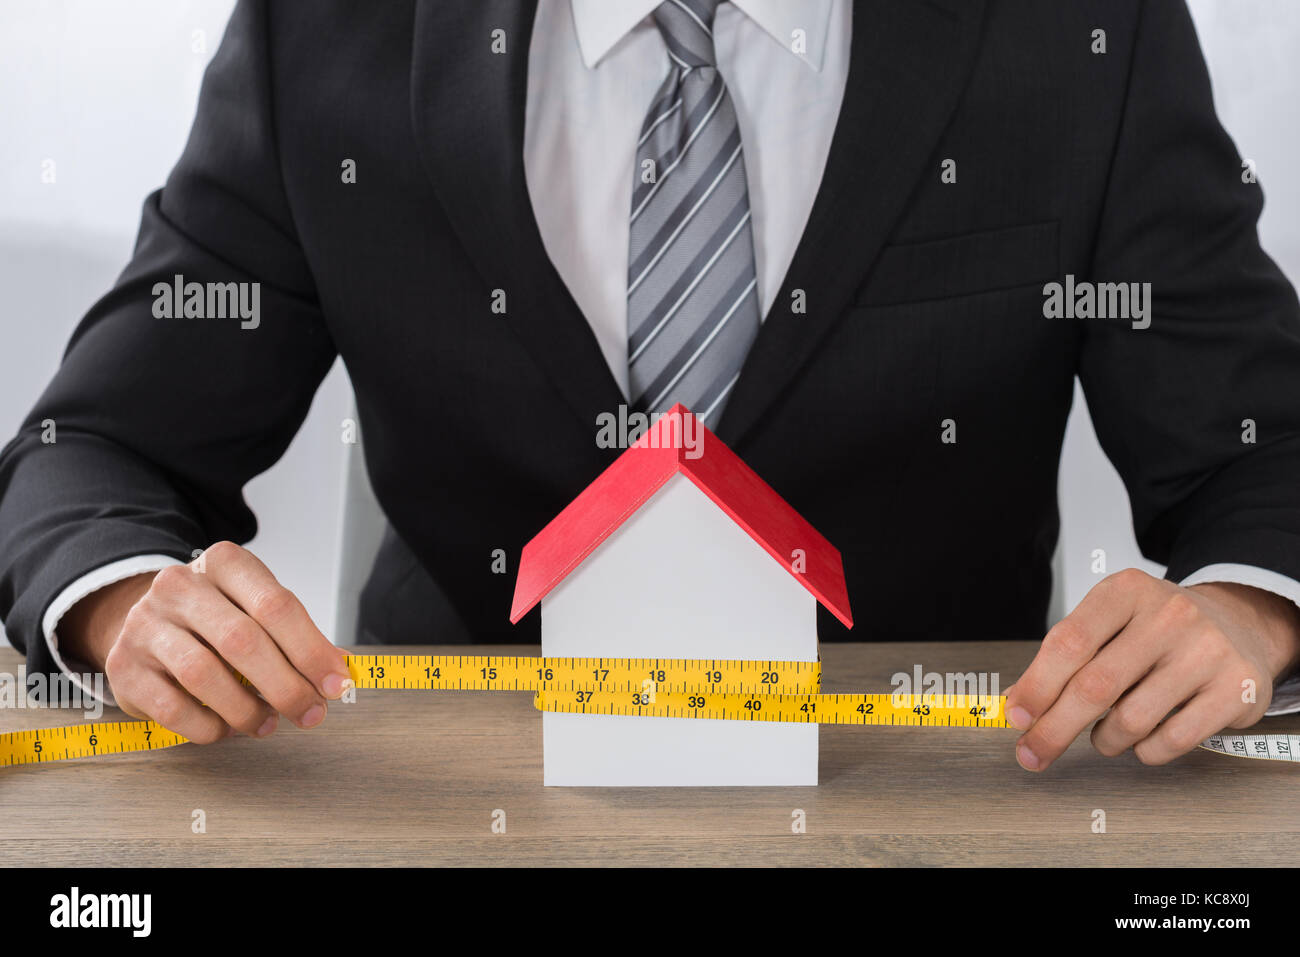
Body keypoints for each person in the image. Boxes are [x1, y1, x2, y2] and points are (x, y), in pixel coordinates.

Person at [2, 0, 1299, 773]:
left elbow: (1264, 454)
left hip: (936, 787)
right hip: (453, 808)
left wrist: (1253, 606)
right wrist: (129, 604)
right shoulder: (327, 27)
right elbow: (96, 448)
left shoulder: (1076, 30)